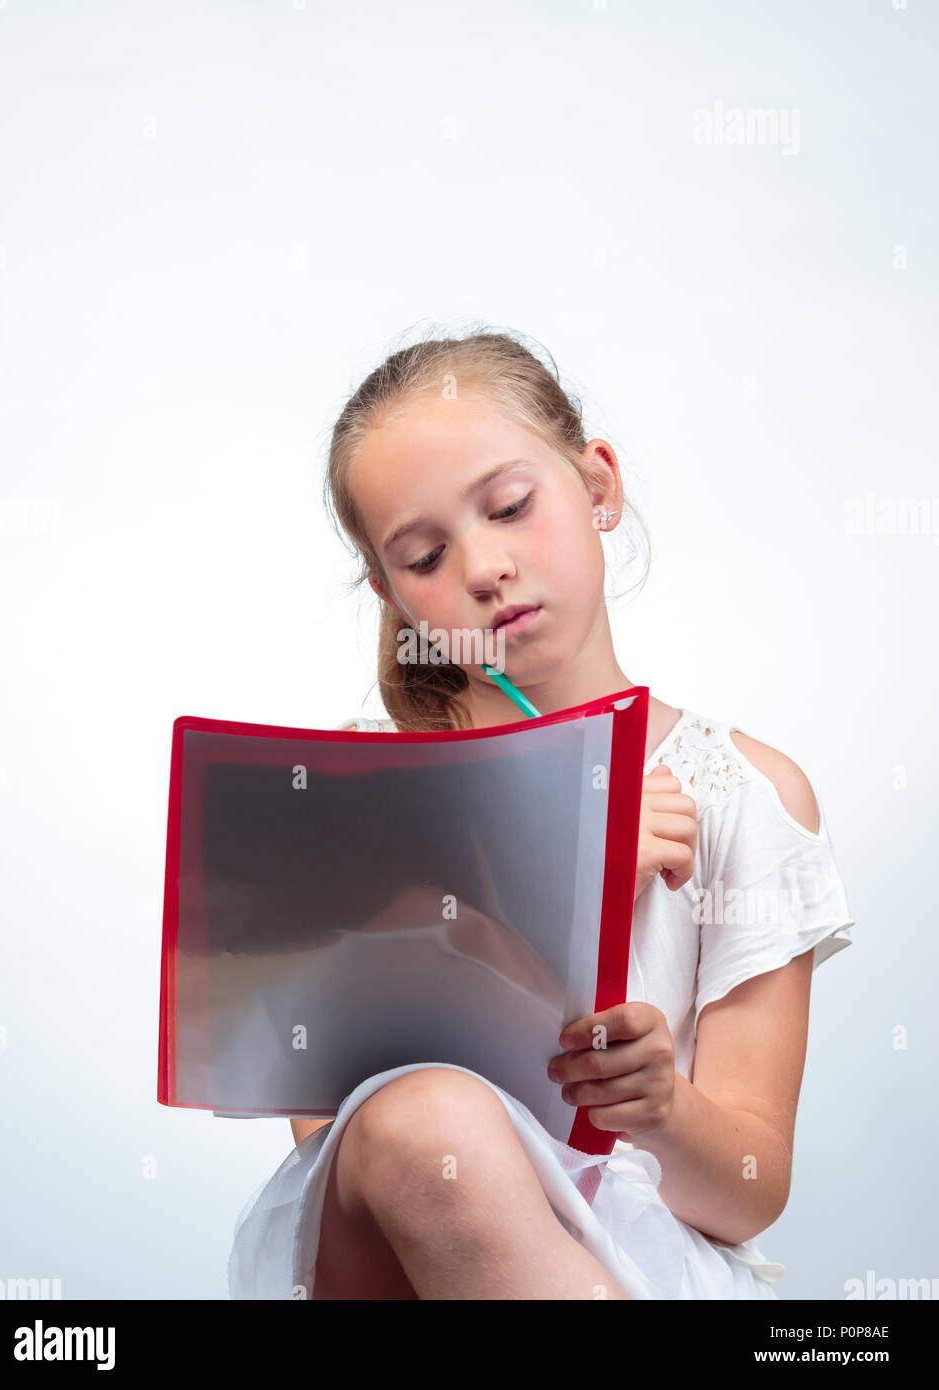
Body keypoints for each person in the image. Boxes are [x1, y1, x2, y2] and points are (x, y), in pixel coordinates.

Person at [226, 324, 854, 1300]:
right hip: (406, 1249)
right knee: (419, 1117)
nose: (485, 567)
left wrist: (658, 1106)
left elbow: (747, 1189)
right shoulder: (364, 793)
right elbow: (333, 1129)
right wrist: (552, 871)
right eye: (426, 555)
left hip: (631, 1261)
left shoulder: (743, 793)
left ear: (597, 485)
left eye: (512, 507)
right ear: (390, 590)